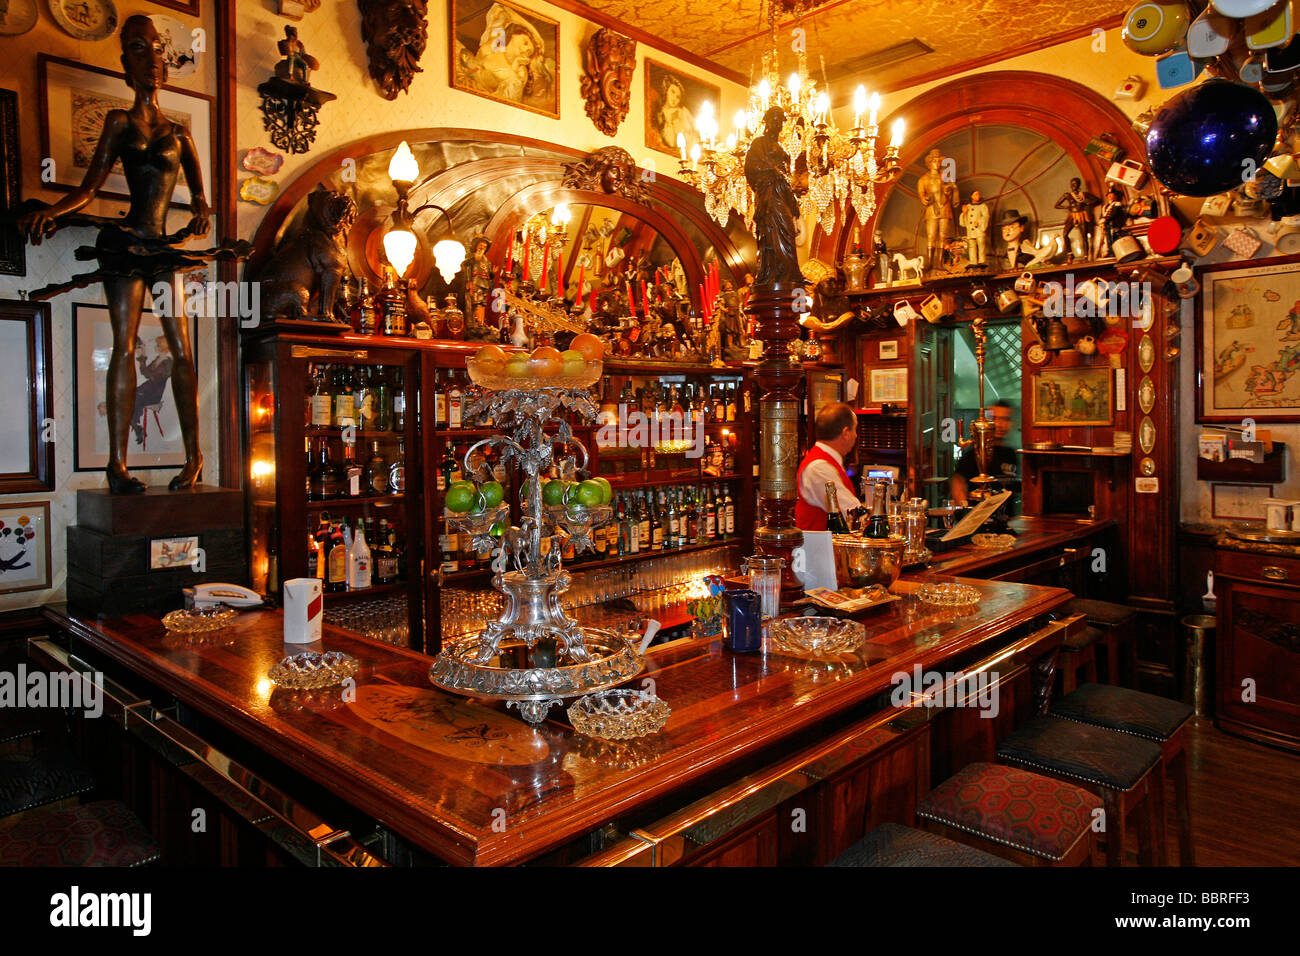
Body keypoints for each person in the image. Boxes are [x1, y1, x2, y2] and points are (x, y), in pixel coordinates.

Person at [16, 15, 247, 493]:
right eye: (140, 51)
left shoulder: (180, 133)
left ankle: (194, 457)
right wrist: (54, 212)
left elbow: (202, 199)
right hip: (126, 243)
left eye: (157, 52)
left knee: (182, 350)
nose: (152, 62)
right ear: (127, 63)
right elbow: (88, 187)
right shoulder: (118, 121)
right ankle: (117, 465)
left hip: (163, 249)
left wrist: (203, 212)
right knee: (122, 346)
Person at [796, 403, 862, 531]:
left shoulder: (827, 461)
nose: (856, 435)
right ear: (846, 433)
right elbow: (851, 513)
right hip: (818, 550)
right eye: (855, 429)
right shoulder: (819, 468)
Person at [949, 400, 1018, 506]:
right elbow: (958, 482)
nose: (1000, 424)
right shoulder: (974, 454)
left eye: (1005, 419)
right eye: (995, 418)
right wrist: (966, 509)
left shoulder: (1010, 454)